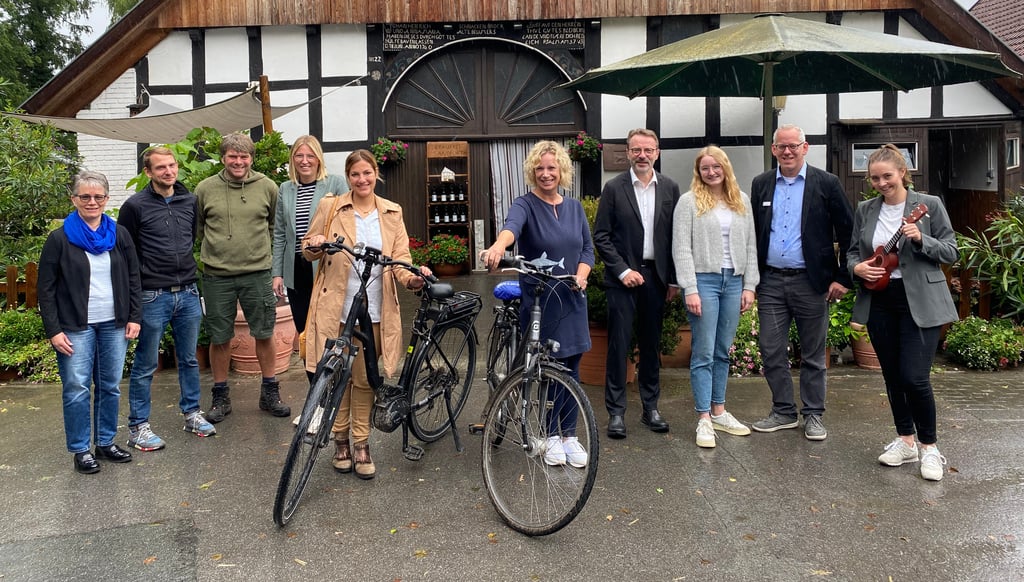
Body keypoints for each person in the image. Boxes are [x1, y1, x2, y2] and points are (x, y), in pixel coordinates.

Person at [301, 149, 427, 480]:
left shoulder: (391, 212)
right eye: (355, 174)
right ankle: (340, 441)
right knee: (338, 378)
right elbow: (309, 250)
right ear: (348, 177)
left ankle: (361, 444)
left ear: (375, 174)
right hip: (337, 308)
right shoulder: (331, 206)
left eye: (367, 173)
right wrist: (315, 242)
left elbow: (400, 257)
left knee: (363, 380)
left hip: (374, 308)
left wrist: (412, 277)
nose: (362, 180)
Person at [481, 140, 595, 467]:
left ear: (562, 171)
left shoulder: (573, 207)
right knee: (548, 367)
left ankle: (569, 435)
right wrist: (498, 247)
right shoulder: (525, 204)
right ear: (532, 171)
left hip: (572, 294)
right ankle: (546, 434)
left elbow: (586, 249)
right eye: (540, 168)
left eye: (552, 168)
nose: (546, 174)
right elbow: (510, 229)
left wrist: (582, 274)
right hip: (542, 299)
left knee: (572, 366)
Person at [848, 144, 957, 481]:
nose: (881, 183)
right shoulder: (866, 209)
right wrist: (858, 269)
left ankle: (929, 447)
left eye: (887, 176)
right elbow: (853, 252)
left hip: (920, 300)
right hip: (880, 298)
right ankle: (905, 440)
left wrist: (922, 239)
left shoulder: (929, 206)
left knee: (915, 376)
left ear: (903, 173)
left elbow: (951, 251)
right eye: (875, 178)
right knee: (893, 376)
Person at [749, 124, 854, 440]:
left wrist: (842, 277)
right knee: (770, 349)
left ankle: (813, 415)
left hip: (812, 283)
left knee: (812, 353)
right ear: (773, 150)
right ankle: (783, 410)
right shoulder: (762, 184)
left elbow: (849, 232)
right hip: (770, 283)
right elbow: (753, 232)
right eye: (781, 146)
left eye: (793, 145)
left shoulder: (827, 183)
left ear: (805, 148)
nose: (788, 151)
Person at [37, 171, 142, 474]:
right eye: (85, 196)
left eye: (98, 197)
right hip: (74, 327)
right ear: (74, 199)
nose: (92, 202)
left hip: (114, 324)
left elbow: (134, 277)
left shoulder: (119, 235)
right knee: (77, 388)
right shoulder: (60, 239)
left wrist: (135, 316)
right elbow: (45, 288)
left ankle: (106, 443)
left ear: (107, 200)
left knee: (110, 386)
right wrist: (54, 330)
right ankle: (81, 449)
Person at [119, 147, 215, 450]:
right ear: (148, 172)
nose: (169, 171)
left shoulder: (189, 201)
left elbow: (191, 237)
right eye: (160, 167)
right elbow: (125, 252)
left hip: (187, 291)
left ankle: (192, 414)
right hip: (152, 295)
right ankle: (138, 427)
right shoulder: (134, 206)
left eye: (172, 165)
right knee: (146, 364)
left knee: (189, 359)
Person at [195, 132, 289, 423]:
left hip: (257, 273)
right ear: (223, 158)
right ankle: (221, 396)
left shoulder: (267, 187)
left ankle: (269, 392)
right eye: (232, 156)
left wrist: (274, 270)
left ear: (251, 158)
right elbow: (197, 230)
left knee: (264, 332)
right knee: (220, 336)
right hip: (216, 276)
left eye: (244, 156)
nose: (238, 161)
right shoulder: (204, 189)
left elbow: (276, 229)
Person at [593, 128, 681, 439]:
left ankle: (650, 408)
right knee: (618, 346)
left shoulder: (670, 187)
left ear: (657, 153)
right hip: (622, 281)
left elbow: (674, 238)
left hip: (656, 280)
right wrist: (621, 271)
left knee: (651, 345)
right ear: (628, 153)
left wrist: (673, 280)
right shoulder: (614, 188)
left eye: (648, 150)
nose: (642, 155)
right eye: (636, 150)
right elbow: (601, 236)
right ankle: (616, 413)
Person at [671, 146, 758, 448]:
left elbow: (750, 247)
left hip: (733, 281)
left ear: (725, 168)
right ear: (699, 171)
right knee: (704, 351)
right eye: (705, 168)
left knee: (723, 349)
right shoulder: (689, 202)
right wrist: (690, 288)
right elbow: (681, 249)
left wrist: (750, 285)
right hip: (704, 281)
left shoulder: (741, 201)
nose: (711, 172)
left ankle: (720, 410)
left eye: (716, 167)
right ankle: (704, 418)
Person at [272, 135, 347, 385]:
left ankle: (336, 394)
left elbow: (346, 224)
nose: (305, 161)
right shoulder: (285, 188)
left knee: (329, 332)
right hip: (297, 270)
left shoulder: (335, 183)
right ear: (293, 159)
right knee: (306, 335)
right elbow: (280, 233)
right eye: (299, 156)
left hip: (326, 267)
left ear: (318, 158)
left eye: (310, 155)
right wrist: (277, 273)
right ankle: (315, 395)